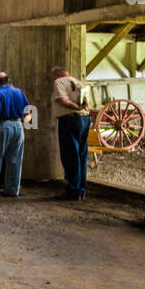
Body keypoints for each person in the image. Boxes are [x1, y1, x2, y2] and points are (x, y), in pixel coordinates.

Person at [51, 66, 91, 200]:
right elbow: (86, 101)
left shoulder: (59, 82)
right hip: (85, 119)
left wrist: (76, 107)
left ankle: (73, 190)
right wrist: (81, 108)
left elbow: (62, 100)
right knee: (81, 154)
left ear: (57, 75)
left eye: (52, 76)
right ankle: (81, 189)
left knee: (70, 155)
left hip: (70, 119)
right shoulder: (78, 82)